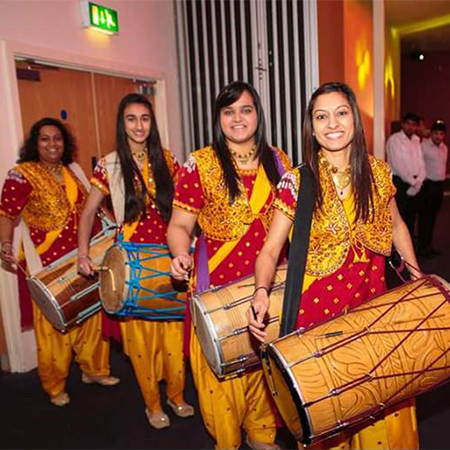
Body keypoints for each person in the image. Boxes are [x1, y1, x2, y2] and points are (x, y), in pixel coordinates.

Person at [248, 82, 420, 449]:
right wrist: (261, 291)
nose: (332, 124)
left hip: (374, 310)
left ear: (354, 120)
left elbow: (398, 226)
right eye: (321, 116)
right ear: (311, 127)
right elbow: (269, 250)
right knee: (329, 417)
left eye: (341, 113)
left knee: (381, 414)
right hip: (319, 319)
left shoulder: (377, 173)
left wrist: (417, 278)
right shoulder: (296, 182)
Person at [168, 81, 292, 450]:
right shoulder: (200, 164)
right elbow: (179, 225)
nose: (238, 118)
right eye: (229, 111)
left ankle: (262, 431)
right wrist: (179, 253)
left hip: (268, 279)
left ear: (258, 115)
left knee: (265, 359)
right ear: (218, 117)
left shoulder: (278, 160)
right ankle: (228, 439)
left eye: (246, 109)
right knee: (220, 373)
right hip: (217, 285)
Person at [77, 93, 193, 429]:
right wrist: (83, 254)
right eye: (131, 119)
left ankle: (176, 395)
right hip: (131, 266)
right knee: (141, 345)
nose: (139, 126)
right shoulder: (110, 165)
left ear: (152, 123)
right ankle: (152, 404)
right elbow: (87, 215)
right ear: (122, 123)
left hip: (170, 259)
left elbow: (188, 207)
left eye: (145, 118)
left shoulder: (168, 160)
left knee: (174, 339)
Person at [0, 118, 119, 407]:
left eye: (57, 138)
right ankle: (54, 385)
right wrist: (4, 242)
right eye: (45, 139)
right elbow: (6, 213)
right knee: (53, 327)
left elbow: (94, 207)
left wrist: (115, 226)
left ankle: (94, 370)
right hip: (47, 265)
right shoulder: (22, 174)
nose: (52, 144)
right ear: (35, 144)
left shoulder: (74, 170)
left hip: (84, 256)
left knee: (90, 316)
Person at [386, 112, 426, 238]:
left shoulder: (416, 140)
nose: (411, 127)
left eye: (414, 125)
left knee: (412, 216)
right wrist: (414, 183)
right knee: (399, 220)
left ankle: (410, 249)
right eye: (408, 124)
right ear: (402, 124)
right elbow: (399, 166)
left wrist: (419, 181)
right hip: (400, 183)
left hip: (416, 182)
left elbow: (421, 162)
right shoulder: (394, 140)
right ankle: (398, 254)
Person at [418, 120, 448, 258]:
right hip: (427, 185)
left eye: (441, 134)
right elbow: (418, 163)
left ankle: (428, 246)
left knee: (433, 218)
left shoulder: (444, 148)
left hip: (439, 186)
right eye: (436, 133)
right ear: (432, 133)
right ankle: (422, 248)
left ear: (444, 135)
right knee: (424, 218)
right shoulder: (423, 146)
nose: (438, 136)